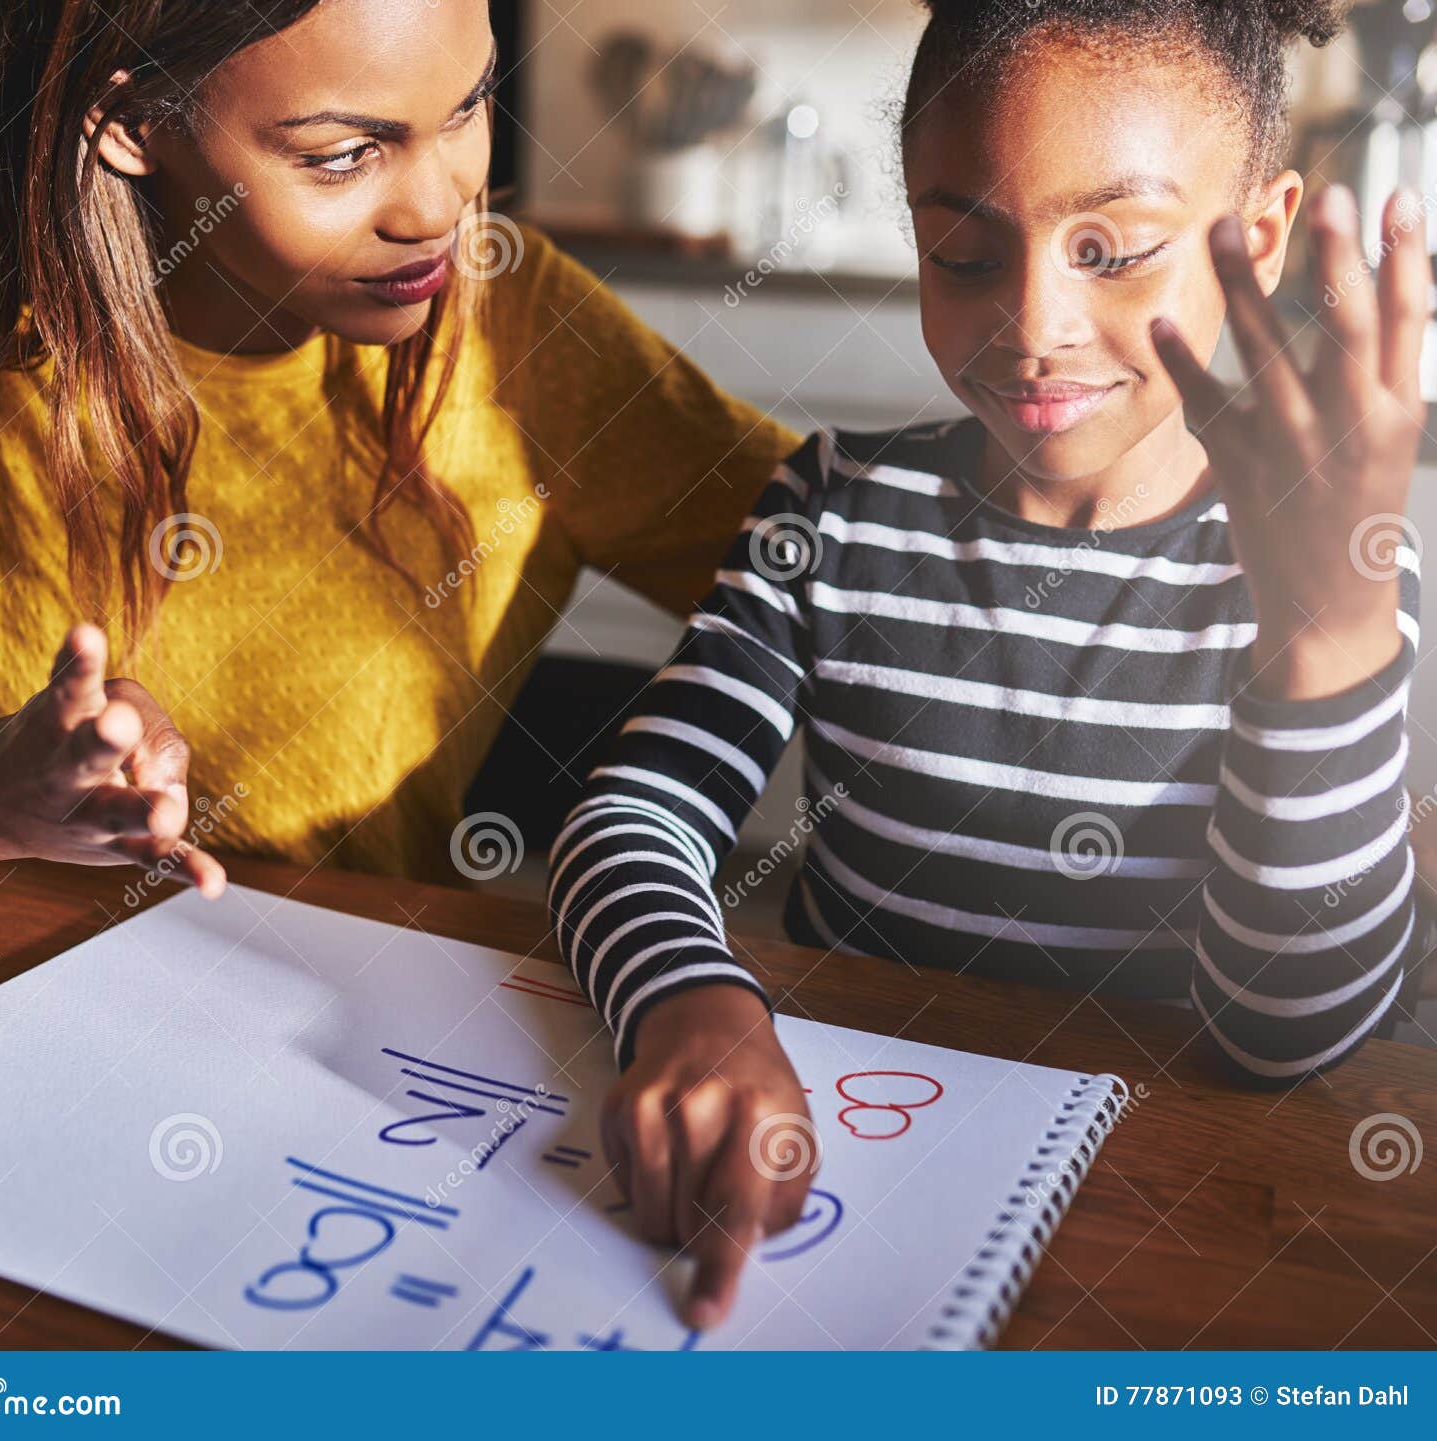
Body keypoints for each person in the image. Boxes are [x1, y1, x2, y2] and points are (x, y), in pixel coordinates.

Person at [549, 0, 1427, 1328]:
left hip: (1162, 1225)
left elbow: (1282, 1036)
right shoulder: (833, 505)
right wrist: (691, 1002)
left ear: (1257, 241)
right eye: (962, 252)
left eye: (1112, 252)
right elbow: (631, 814)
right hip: (851, 1186)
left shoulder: (1319, 562)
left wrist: (1326, 641)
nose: (1032, 323)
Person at [0, 0, 799, 920]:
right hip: (3, 984)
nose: (440, 207)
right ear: (129, 125)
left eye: (469, 104)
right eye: (344, 156)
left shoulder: (518, 326)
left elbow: (848, 578)